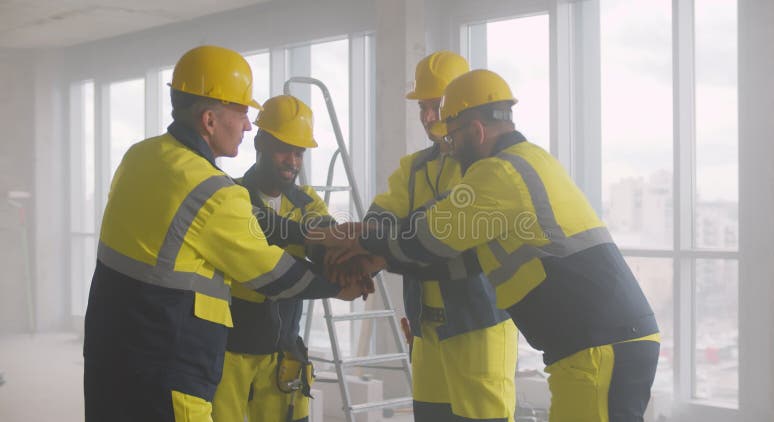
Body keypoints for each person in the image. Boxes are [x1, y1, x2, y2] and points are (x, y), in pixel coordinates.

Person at [316, 69, 661, 422]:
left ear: (477, 131)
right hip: (602, 341)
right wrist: (379, 255)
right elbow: (445, 251)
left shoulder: (499, 173)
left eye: (452, 137)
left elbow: (427, 237)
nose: (449, 148)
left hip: (597, 346)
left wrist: (358, 240)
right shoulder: (532, 159)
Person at [83, 45, 366, 422]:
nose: (247, 125)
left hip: (110, 361)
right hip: (169, 371)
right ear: (209, 119)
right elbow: (273, 272)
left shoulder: (139, 156)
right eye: (242, 112)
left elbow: (267, 225)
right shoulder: (215, 190)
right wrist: (338, 286)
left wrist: (324, 239)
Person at [340, 51, 518, 421]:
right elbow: (378, 221)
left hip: (479, 327)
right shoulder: (414, 168)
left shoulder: (484, 169)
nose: (428, 116)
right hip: (427, 330)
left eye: (436, 106)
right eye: (423, 107)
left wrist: (380, 253)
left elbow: (445, 244)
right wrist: (364, 257)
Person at [211, 95, 335, 422]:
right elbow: (260, 237)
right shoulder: (232, 195)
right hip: (231, 354)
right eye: (284, 149)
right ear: (260, 143)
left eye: (299, 153)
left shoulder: (307, 203)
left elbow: (329, 244)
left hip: (283, 354)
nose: (292, 161)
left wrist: (356, 259)